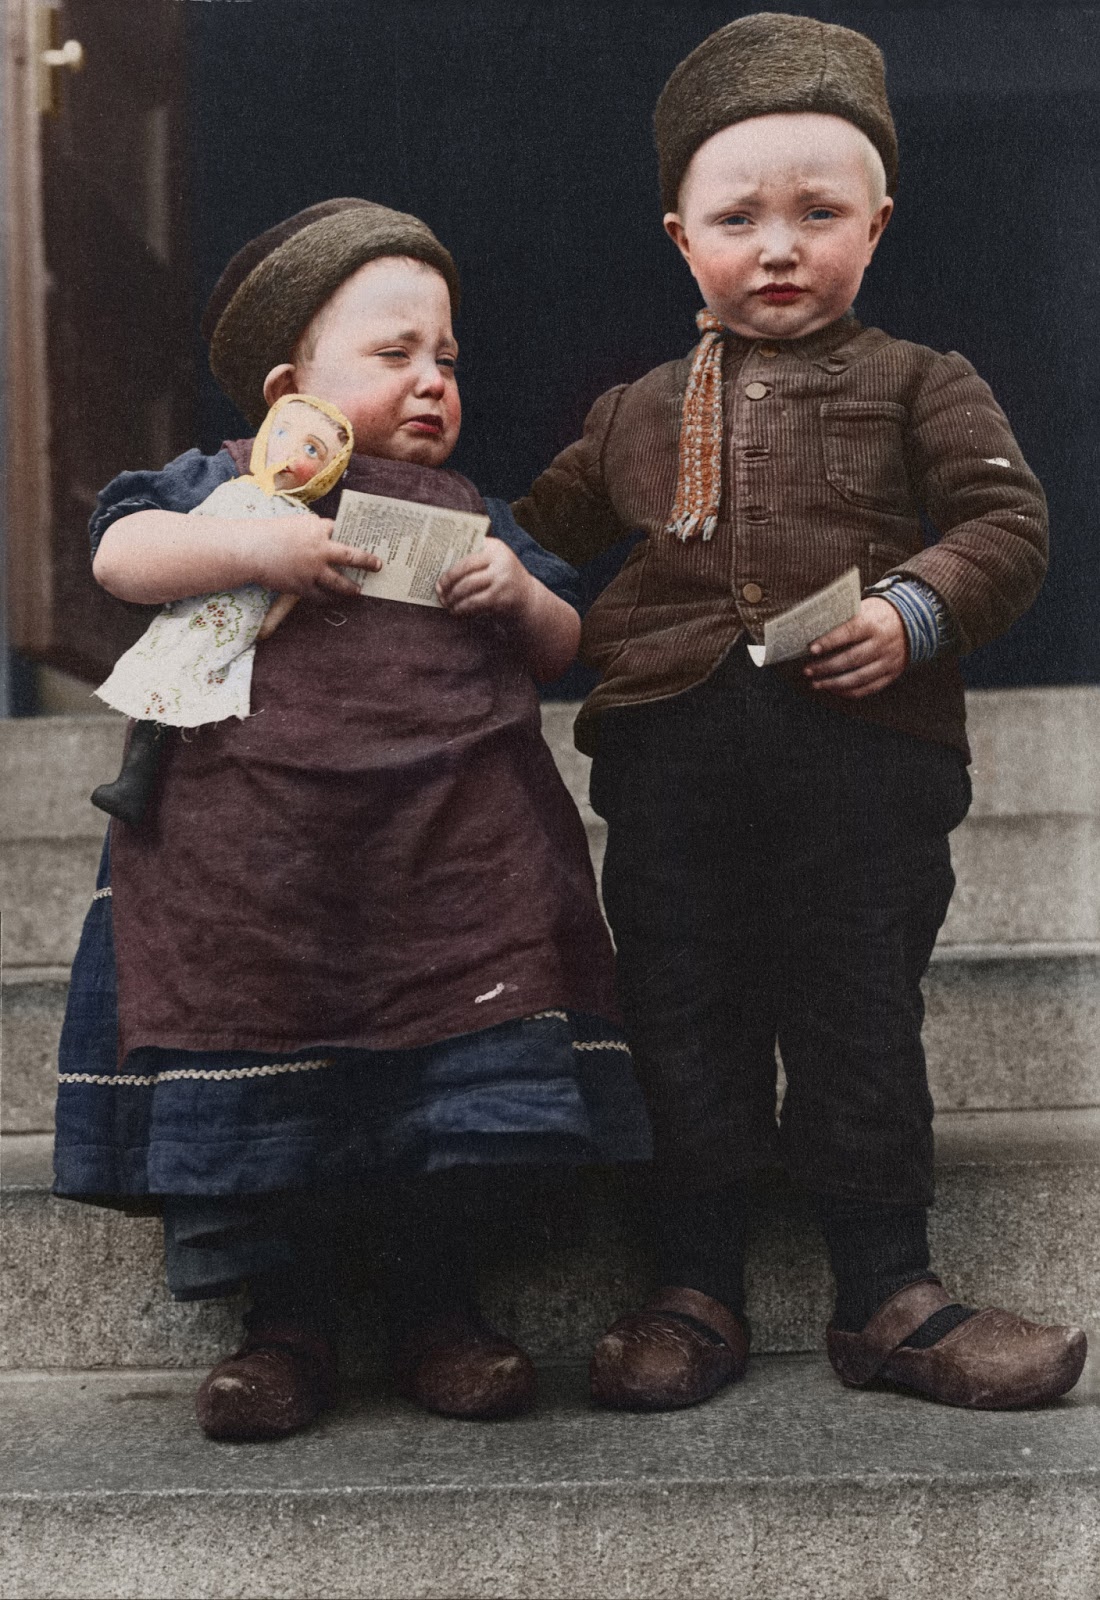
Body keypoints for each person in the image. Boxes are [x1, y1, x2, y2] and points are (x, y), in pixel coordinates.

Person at [512, 13, 1086, 1412]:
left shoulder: (922, 381)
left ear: (874, 229)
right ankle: (691, 1290)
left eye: (818, 214)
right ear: (680, 238)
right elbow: (531, 540)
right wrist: (425, 554)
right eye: (739, 218)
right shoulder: (629, 413)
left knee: (856, 1019)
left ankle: (890, 1295)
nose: (778, 246)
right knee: (681, 1017)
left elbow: (1007, 526)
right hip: (670, 769)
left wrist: (913, 610)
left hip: (863, 774)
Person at [54, 198, 650, 1442]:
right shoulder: (221, 486)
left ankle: (443, 1314)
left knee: (450, 1097)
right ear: (290, 388)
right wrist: (253, 549)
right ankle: (286, 1330)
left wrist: (514, 594)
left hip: (444, 860)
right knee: (275, 1091)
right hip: (258, 864)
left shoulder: (468, 514)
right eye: (394, 354)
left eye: (448, 359)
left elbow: (563, 642)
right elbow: (119, 556)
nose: (432, 380)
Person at [90, 393, 353, 824]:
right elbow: (187, 536)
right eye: (282, 434)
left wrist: (269, 623)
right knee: (157, 689)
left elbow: (298, 586)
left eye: (311, 450)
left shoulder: (302, 525)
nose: (290, 454)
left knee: (199, 697)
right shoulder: (230, 487)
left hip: (233, 626)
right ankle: (133, 785)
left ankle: (147, 788)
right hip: (189, 614)